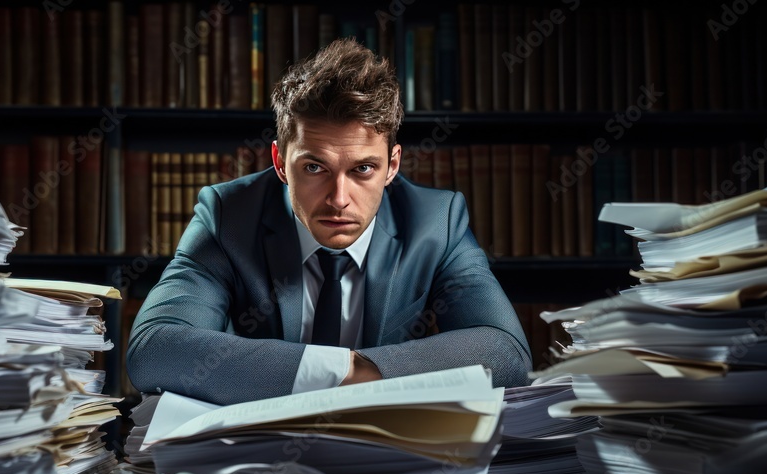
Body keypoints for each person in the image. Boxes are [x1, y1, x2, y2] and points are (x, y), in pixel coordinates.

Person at [127, 37, 530, 405]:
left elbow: (505, 353)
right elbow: (155, 349)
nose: (339, 199)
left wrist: (358, 371)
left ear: (392, 165)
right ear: (280, 162)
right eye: (315, 168)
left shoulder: (436, 222)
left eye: (363, 170)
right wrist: (339, 371)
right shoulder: (228, 216)